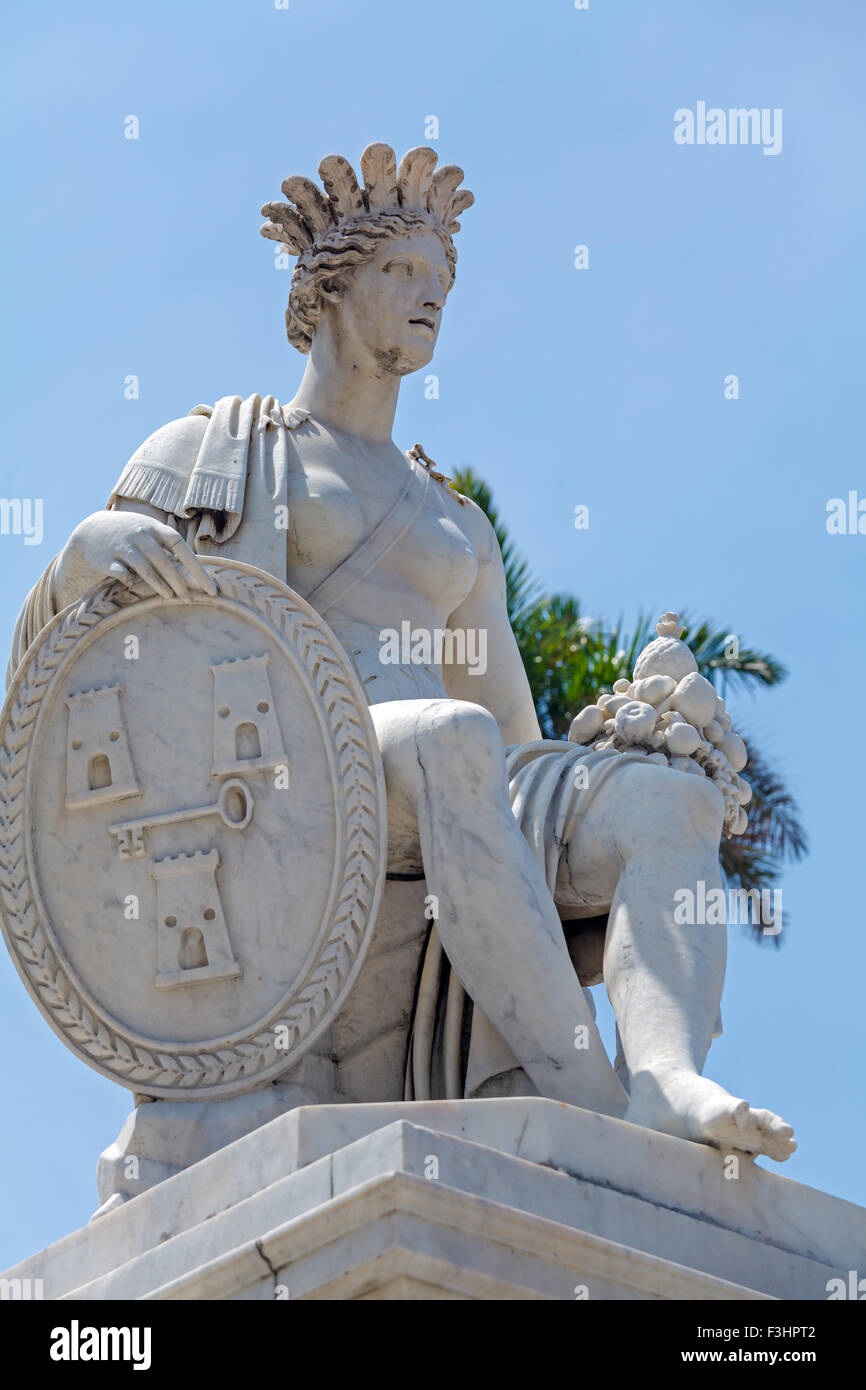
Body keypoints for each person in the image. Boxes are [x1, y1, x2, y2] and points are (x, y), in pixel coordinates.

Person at [9, 144, 794, 1161]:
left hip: (448, 767)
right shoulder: (227, 447)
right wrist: (83, 554)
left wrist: (609, 759)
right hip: (296, 768)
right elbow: (59, 671)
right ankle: (590, 1105)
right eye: (403, 274)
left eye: (441, 281)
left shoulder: (451, 521)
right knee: (448, 742)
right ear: (330, 289)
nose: (431, 300)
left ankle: (664, 1079)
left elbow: (512, 739)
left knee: (661, 802)